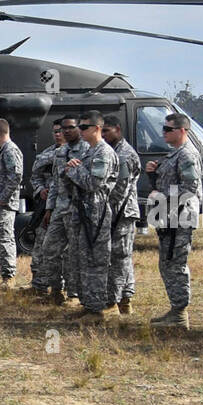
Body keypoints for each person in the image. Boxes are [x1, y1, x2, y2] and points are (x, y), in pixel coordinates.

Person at [146, 112, 201, 328]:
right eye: (164, 128)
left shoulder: (187, 155)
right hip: (170, 217)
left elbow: (190, 188)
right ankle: (176, 309)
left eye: (168, 129)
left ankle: (180, 315)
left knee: (175, 264)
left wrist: (162, 198)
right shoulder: (175, 155)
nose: (164, 133)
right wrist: (154, 173)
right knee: (167, 263)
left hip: (181, 217)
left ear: (182, 130)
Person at [62, 110, 118, 321]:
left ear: (97, 129)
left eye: (84, 127)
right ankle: (89, 303)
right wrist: (70, 169)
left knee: (96, 260)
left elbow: (93, 184)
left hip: (96, 212)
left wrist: (74, 171)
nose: (80, 131)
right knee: (83, 259)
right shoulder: (89, 152)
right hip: (83, 211)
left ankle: (98, 309)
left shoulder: (103, 153)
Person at [32, 117, 81, 304]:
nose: (61, 133)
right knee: (49, 248)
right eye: (57, 131)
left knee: (72, 253)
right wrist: (49, 207)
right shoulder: (53, 154)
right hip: (58, 209)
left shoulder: (85, 151)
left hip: (76, 209)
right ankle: (54, 290)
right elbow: (53, 182)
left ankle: (73, 293)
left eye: (67, 129)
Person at [101, 115, 141, 315]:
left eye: (106, 131)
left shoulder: (125, 154)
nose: (103, 135)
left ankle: (113, 302)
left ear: (117, 129)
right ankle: (125, 299)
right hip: (116, 212)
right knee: (122, 256)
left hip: (122, 212)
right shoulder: (113, 151)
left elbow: (120, 189)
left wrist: (102, 205)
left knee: (119, 257)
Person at [27, 121, 65, 295]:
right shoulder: (46, 154)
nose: (58, 134)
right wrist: (40, 189)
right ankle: (39, 284)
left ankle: (62, 287)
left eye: (61, 131)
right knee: (41, 243)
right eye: (55, 131)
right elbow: (35, 176)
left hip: (66, 207)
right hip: (47, 207)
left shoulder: (79, 152)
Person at [0, 118, 24, 287]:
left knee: (5, 239)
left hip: (4, 205)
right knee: (1, 239)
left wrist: (4, 197)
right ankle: (6, 276)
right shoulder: (5, 150)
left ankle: (9, 277)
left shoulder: (10, 150)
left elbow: (15, 176)